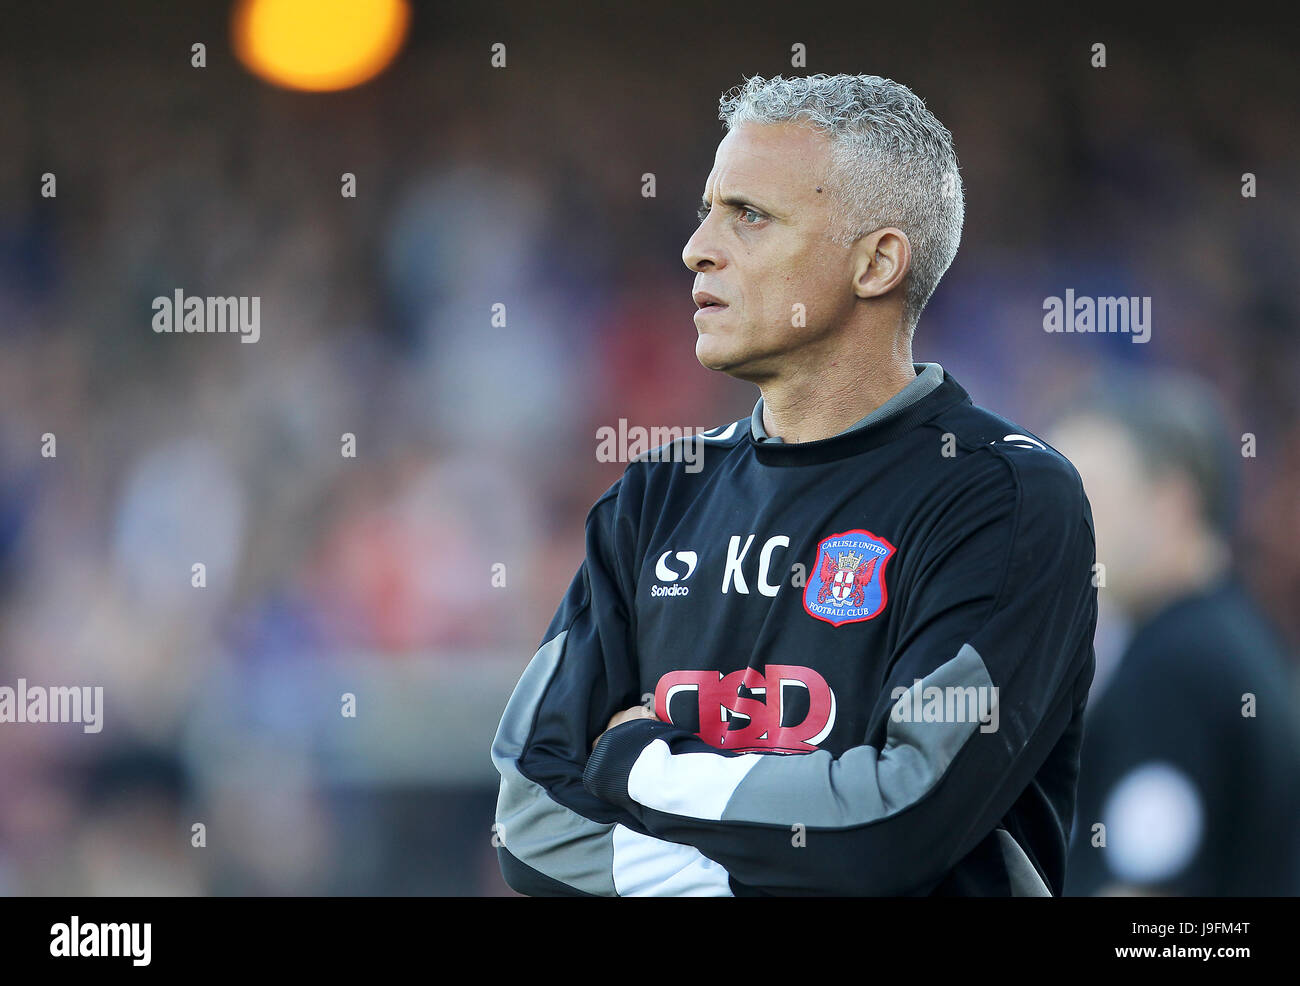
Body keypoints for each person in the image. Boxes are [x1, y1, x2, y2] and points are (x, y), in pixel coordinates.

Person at [491, 73, 1098, 896]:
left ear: (877, 262)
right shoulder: (657, 495)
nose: (697, 247)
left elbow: (897, 820)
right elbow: (531, 822)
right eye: (706, 210)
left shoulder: (1005, 498)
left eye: (749, 215)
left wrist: (642, 767)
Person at [1051, 371, 1300, 896]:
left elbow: (1148, 899)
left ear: (1171, 504)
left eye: (1085, 490)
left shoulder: (1176, 669)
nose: (1061, 521)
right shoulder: (1230, 637)